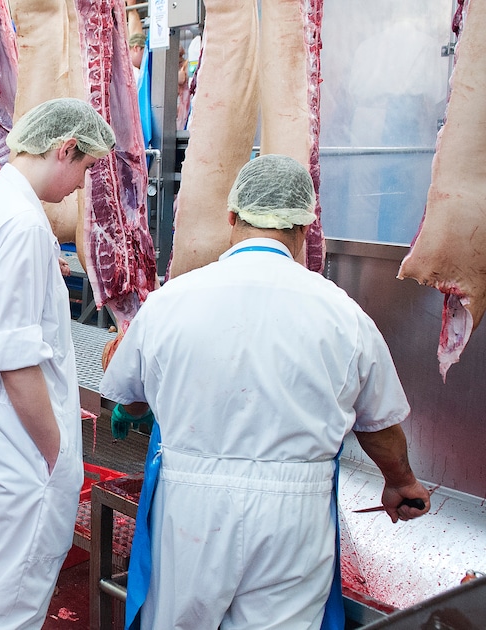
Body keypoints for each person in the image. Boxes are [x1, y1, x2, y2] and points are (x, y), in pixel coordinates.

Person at [98, 154, 431, 630]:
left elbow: (130, 400)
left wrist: (139, 400)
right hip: (294, 517)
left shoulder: (170, 301)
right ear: (305, 227)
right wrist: (400, 481)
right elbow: (378, 423)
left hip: (192, 509)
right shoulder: (344, 314)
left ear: (232, 216)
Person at [0, 97, 115, 629]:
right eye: (85, 168)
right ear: (65, 149)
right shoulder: (23, 223)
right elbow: (16, 361)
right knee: (15, 601)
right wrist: (55, 454)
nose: (81, 185)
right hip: (21, 439)